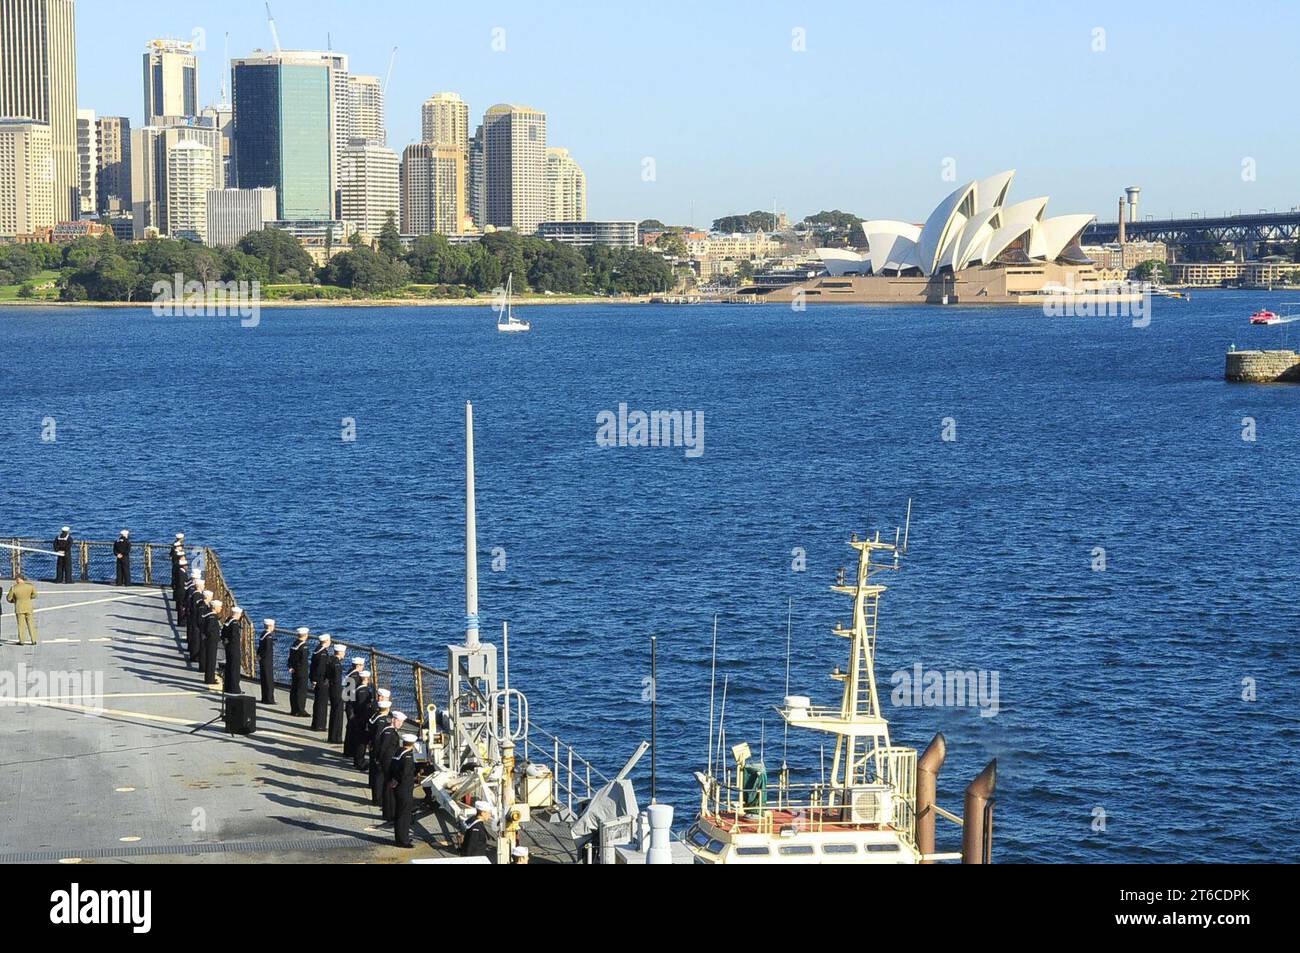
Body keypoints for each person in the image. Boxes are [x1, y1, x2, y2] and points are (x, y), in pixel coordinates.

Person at [390, 734, 418, 848]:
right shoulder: (408, 756)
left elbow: (392, 768)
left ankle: (401, 837)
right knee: (404, 814)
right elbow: (405, 773)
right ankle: (403, 840)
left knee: (399, 813)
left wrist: (393, 780)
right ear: (413, 744)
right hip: (404, 788)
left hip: (398, 787)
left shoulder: (398, 752)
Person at [378, 711, 406, 819]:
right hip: (388, 761)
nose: (400, 724)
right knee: (389, 786)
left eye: (402, 722)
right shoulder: (389, 732)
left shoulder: (390, 731)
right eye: (399, 721)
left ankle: (388, 811)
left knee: (388, 785)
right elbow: (383, 748)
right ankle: (389, 812)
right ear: (393, 720)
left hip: (388, 760)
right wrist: (380, 761)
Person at [346, 670, 374, 767]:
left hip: (356, 718)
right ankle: (359, 762)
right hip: (361, 719)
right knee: (361, 742)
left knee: (358, 740)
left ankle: (358, 760)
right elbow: (363, 708)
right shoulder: (364, 691)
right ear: (367, 679)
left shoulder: (357, 689)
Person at [368, 700, 393, 804]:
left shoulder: (375, 716)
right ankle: (378, 798)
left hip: (373, 747)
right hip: (378, 749)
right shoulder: (382, 720)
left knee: (374, 773)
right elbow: (378, 736)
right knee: (379, 775)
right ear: (387, 709)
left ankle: (376, 796)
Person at [6, 574, 38, 645]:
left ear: (18, 579)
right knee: (31, 624)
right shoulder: (30, 586)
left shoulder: (14, 588)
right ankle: (34, 640)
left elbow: (8, 598)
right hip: (29, 607)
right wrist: (29, 598)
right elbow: (35, 595)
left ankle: (22, 641)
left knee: (21, 625)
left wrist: (14, 601)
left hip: (19, 607)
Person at [310, 634, 332, 730]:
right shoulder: (323, 653)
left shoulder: (317, 650)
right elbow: (320, 669)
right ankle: (320, 725)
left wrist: (313, 679)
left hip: (318, 680)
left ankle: (316, 723)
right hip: (322, 681)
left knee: (318, 702)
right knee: (321, 703)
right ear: (326, 641)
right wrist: (317, 679)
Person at [326, 644, 347, 744]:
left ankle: (331, 736)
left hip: (331, 687)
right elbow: (338, 680)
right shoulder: (337, 664)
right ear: (341, 652)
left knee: (334, 712)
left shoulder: (329, 660)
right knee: (338, 714)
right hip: (336, 689)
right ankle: (336, 737)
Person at [287, 627, 311, 716]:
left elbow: (291, 657)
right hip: (301, 671)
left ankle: (294, 709)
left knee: (294, 689)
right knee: (301, 691)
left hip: (294, 670)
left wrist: (290, 666)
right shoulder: (304, 646)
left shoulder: (294, 644)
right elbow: (303, 660)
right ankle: (300, 710)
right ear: (306, 635)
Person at [221, 606, 244, 694]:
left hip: (228, 647)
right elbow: (234, 636)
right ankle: (235, 688)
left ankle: (227, 686)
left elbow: (223, 634)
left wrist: (225, 641)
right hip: (234, 648)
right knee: (234, 668)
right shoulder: (234, 624)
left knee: (229, 666)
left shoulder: (228, 621)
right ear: (237, 614)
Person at [202, 598, 223, 686]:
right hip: (211, 641)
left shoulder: (210, 616)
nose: (221, 609)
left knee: (211, 659)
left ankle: (209, 677)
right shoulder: (212, 617)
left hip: (211, 640)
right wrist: (212, 637)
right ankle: (209, 679)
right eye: (220, 607)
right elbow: (209, 629)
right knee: (211, 660)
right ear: (215, 607)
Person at [257, 619, 277, 705]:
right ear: (270, 626)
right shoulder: (268, 637)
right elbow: (267, 649)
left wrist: (259, 656)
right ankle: (269, 699)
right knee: (268, 679)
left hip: (262, 659)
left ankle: (264, 697)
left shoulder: (263, 634)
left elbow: (261, 647)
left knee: (264, 678)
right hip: (267, 660)